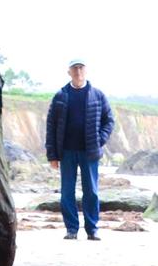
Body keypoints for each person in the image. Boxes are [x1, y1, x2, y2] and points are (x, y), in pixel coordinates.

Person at [46, 60, 114, 240]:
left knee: (91, 191)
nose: (78, 71)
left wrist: (100, 140)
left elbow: (109, 121)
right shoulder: (60, 95)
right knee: (67, 192)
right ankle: (71, 229)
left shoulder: (97, 95)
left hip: (90, 152)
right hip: (66, 152)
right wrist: (52, 155)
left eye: (81, 68)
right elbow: (51, 126)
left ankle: (92, 229)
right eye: (74, 68)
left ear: (86, 71)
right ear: (68, 72)